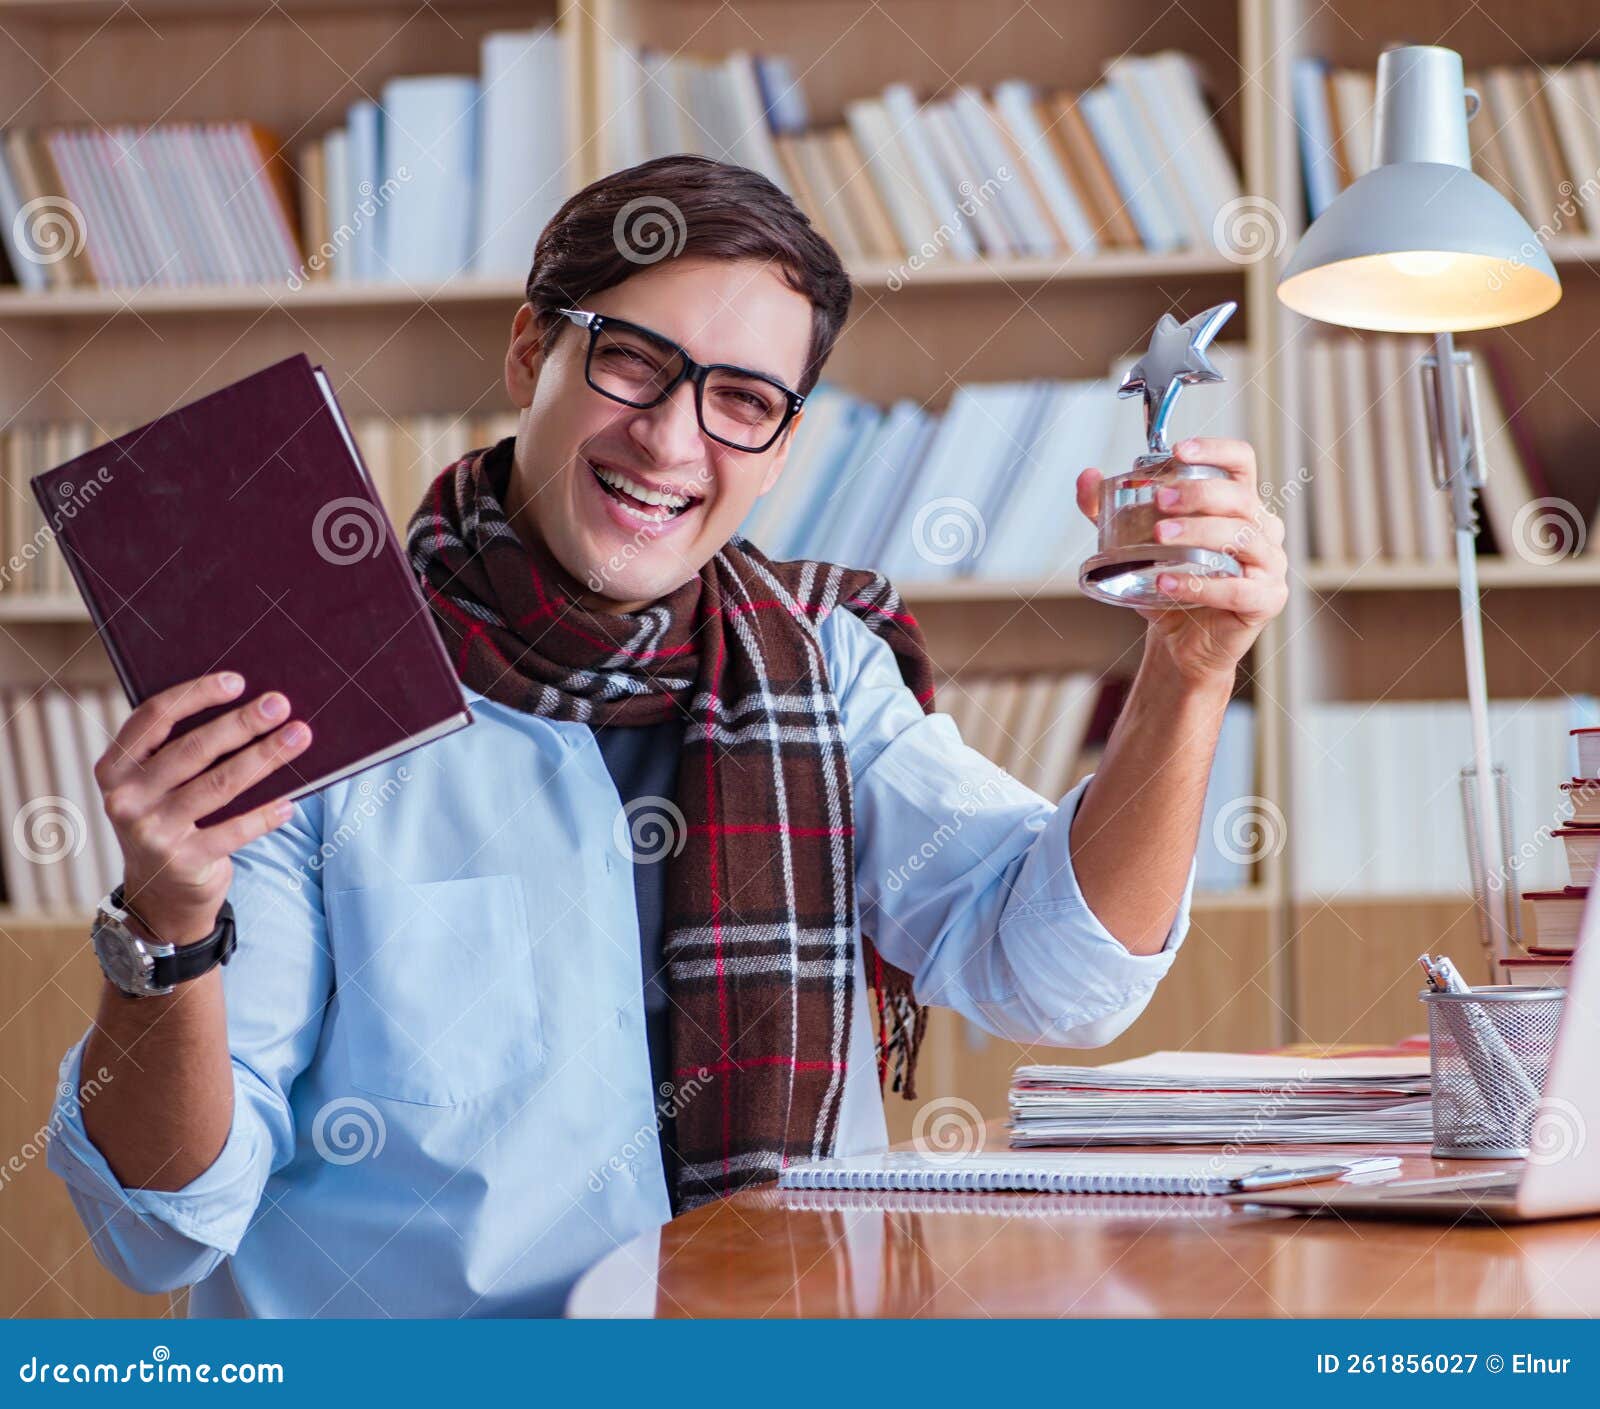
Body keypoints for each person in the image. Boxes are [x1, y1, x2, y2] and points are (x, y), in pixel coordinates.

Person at [47, 155, 1288, 1317]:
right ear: (531, 344)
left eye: (742, 400)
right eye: (633, 363)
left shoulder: (823, 664)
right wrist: (167, 923)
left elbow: (1057, 974)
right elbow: (166, 1224)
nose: (670, 439)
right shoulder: (306, 679)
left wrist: (1188, 674)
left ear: (784, 443)